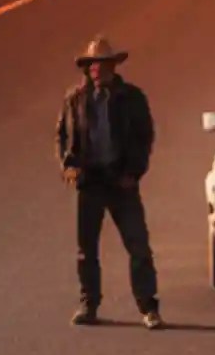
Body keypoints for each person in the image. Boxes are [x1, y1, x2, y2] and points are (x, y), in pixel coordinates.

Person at [56, 35, 162, 329]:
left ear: (113, 66)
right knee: (86, 250)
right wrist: (69, 166)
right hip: (89, 182)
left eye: (100, 64)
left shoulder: (132, 98)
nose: (95, 70)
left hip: (120, 183)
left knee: (138, 246)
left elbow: (145, 137)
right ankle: (89, 304)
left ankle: (148, 307)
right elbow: (62, 135)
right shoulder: (75, 99)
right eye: (91, 64)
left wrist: (134, 173)